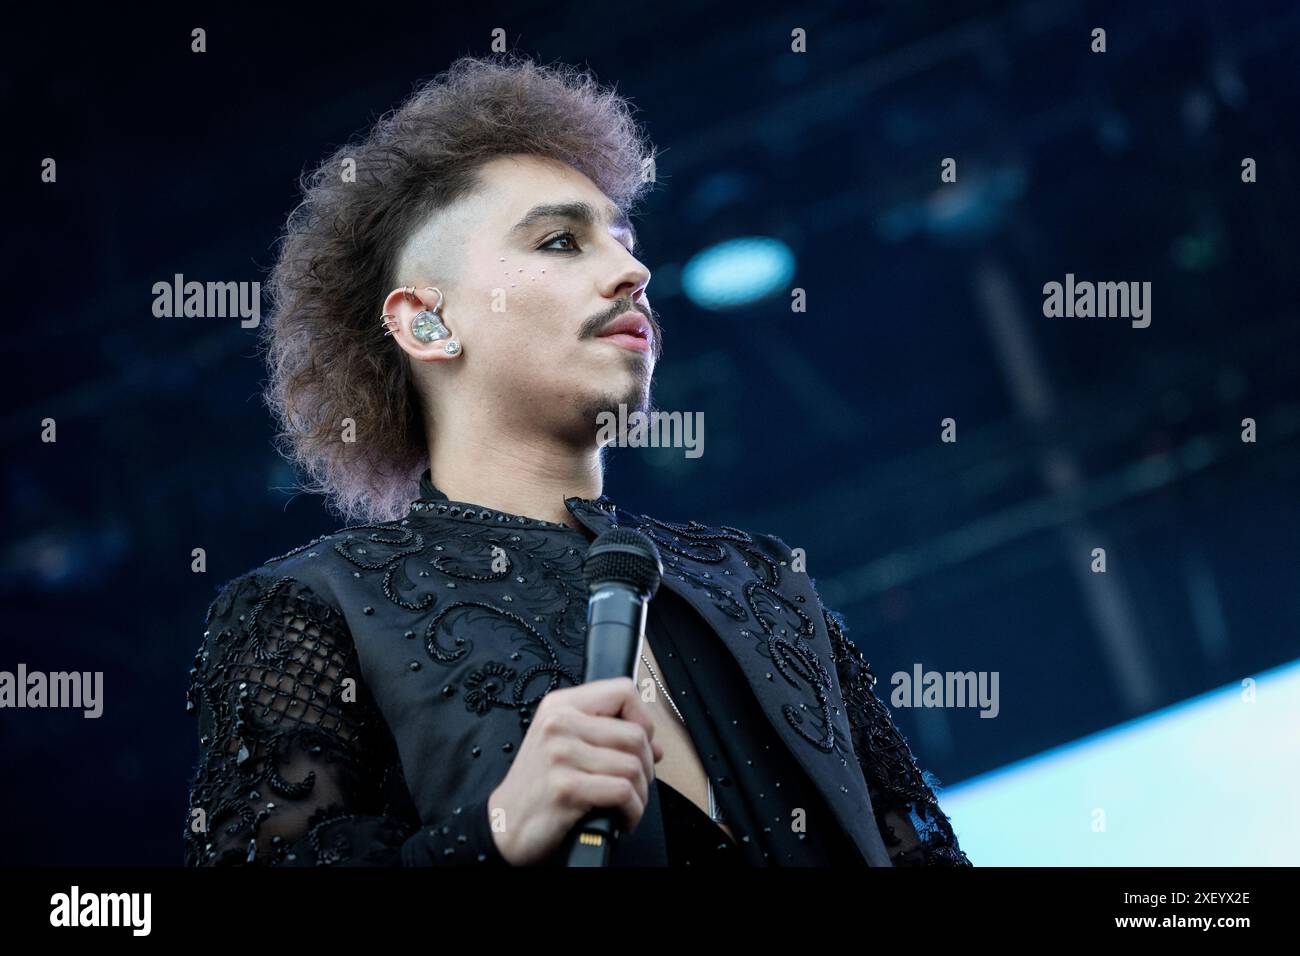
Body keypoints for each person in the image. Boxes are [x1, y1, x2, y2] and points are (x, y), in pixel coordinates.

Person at [182, 53, 971, 868]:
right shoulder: (314, 610)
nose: (634, 271)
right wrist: (493, 834)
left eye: (625, 242)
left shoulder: (765, 585)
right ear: (425, 324)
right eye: (562, 241)